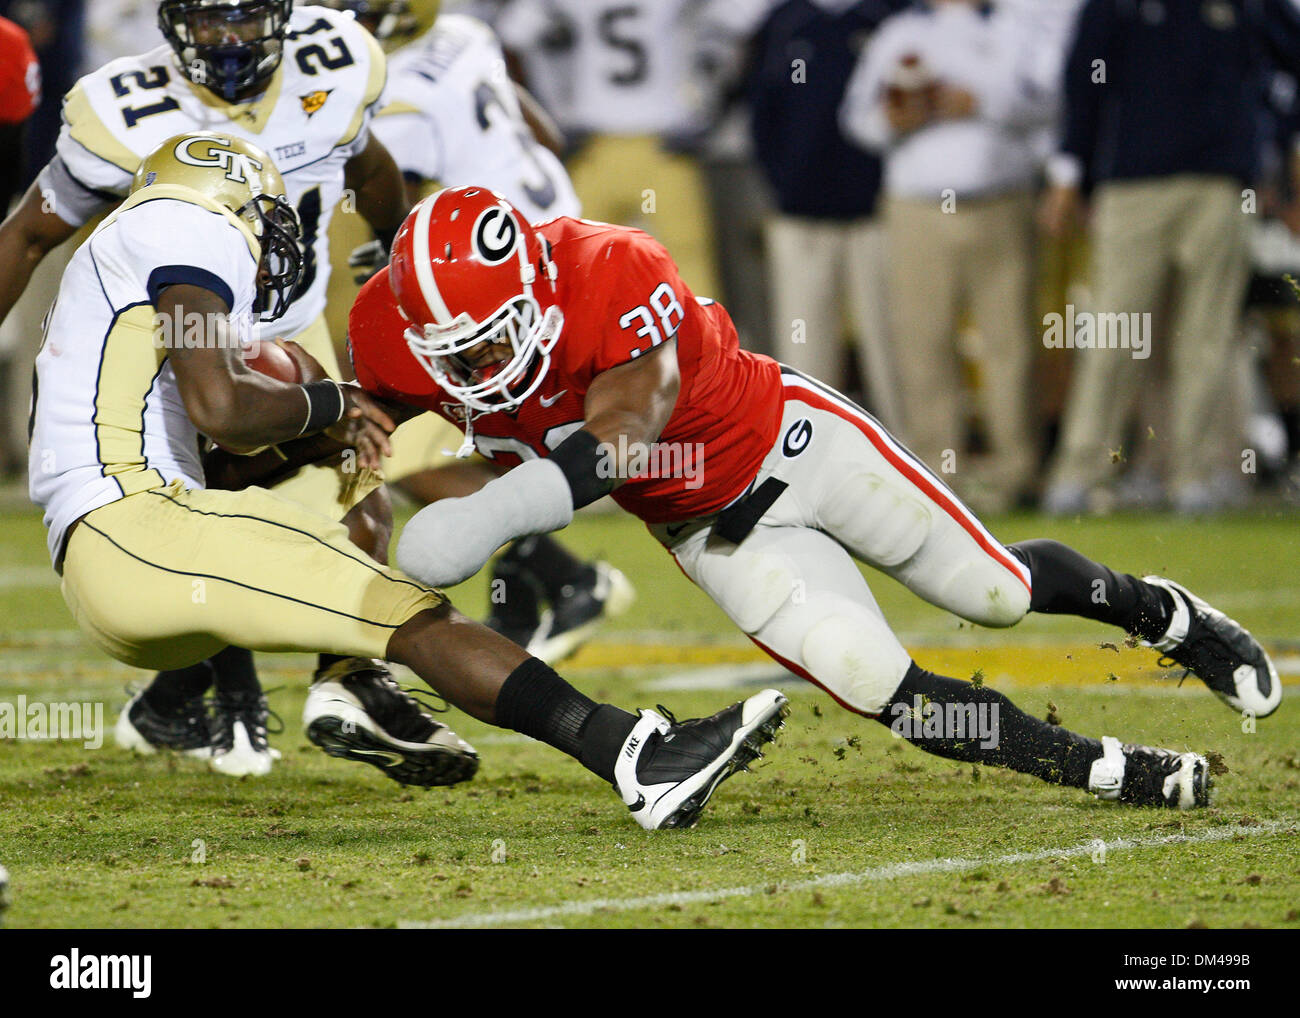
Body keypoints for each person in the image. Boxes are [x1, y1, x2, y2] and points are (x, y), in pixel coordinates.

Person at [350, 185, 1284, 812]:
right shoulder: (388, 335)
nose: (477, 371)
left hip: (793, 445)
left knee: (994, 593)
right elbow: (359, 415)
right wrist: (345, 425)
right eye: (452, 355)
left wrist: (483, 516)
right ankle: (1103, 768)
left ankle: (1162, 614)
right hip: (704, 529)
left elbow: (621, 436)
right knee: (874, 681)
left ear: (540, 288)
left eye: (492, 340)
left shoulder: (612, 268)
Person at [27, 131, 788, 831]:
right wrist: (334, 399)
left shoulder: (121, 251)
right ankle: (637, 759)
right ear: (230, 195)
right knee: (409, 611)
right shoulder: (188, 224)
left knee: (344, 473)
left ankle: (262, 692)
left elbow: (220, 427)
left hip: (127, 548)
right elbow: (223, 406)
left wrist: (326, 427)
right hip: (134, 530)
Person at [0, 0, 428, 778]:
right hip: (175, 339)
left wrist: (397, 247)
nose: (228, 39)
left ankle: (309, 685)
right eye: (206, 20)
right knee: (209, 506)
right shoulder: (122, 106)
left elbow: (367, 167)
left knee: (361, 503)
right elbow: (29, 234)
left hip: (289, 328)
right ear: (169, 23)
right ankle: (236, 702)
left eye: (245, 17)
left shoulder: (336, 60)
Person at [321, 0, 634, 663]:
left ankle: (571, 578)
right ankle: (521, 592)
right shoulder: (464, 33)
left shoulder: (400, 84)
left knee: (406, 451)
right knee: (488, 434)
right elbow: (545, 134)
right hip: (557, 252)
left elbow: (388, 200)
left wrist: (405, 266)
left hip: (496, 291)